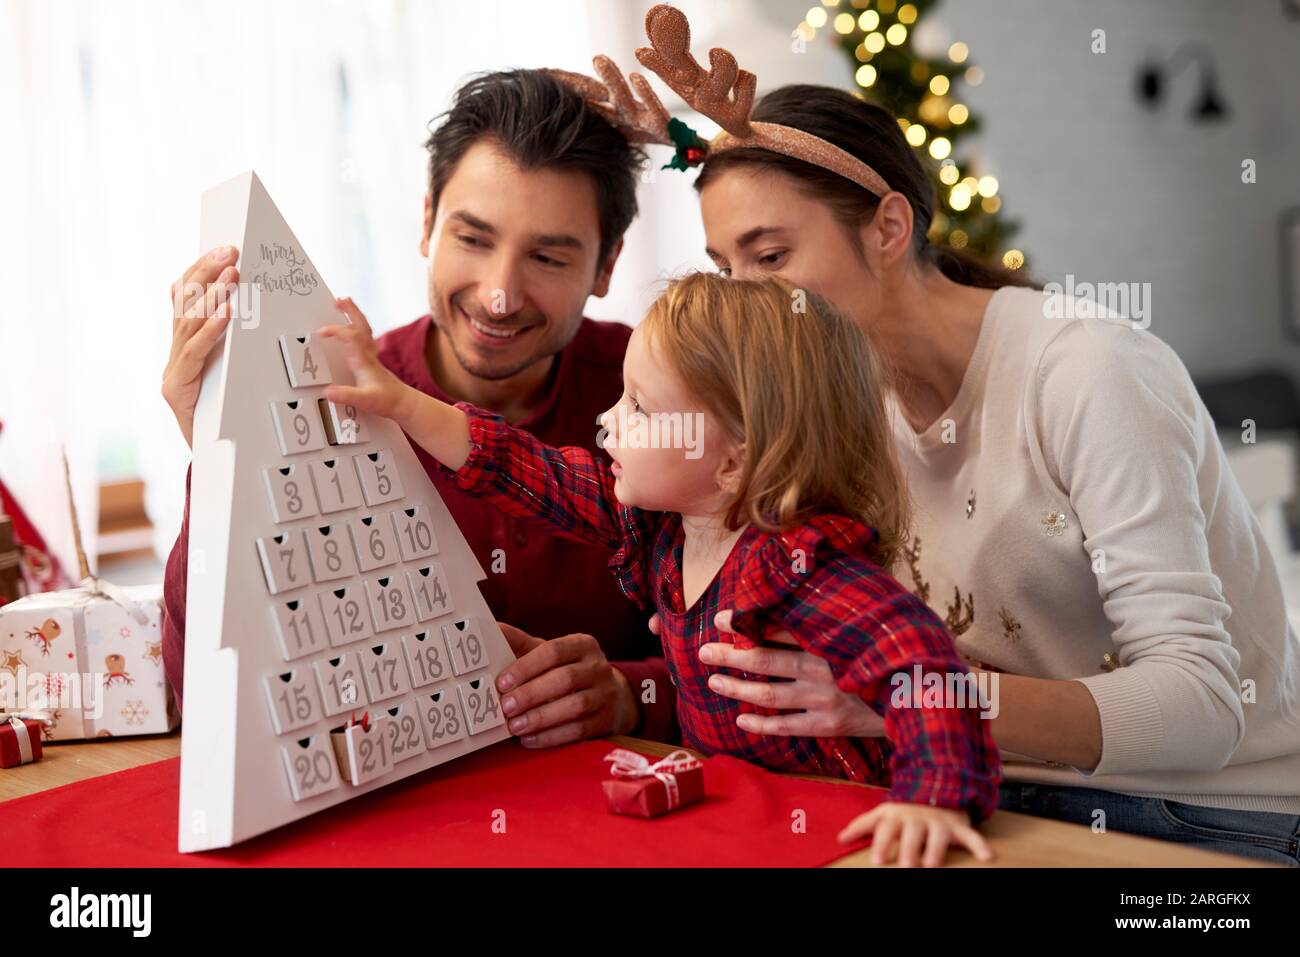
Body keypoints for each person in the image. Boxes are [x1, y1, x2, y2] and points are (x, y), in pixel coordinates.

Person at [687, 81, 1300, 865]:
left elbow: (1204, 707)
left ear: (888, 227)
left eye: (770, 257)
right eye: (724, 268)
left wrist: (904, 695)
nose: (745, 303)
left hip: (1203, 818)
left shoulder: (1086, 371)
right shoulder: (846, 404)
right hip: (980, 794)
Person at [314, 271, 1003, 867]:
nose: (610, 422)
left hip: (839, 830)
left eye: (640, 408)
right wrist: (401, 403)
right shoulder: (660, 530)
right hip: (738, 825)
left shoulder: (802, 570)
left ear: (733, 459)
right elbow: (525, 469)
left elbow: (925, 666)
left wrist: (935, 799)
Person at [161, 69, 677, 746]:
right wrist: (218, 444)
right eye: (474, 239)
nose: (500, 295)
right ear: (428, 220)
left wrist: (631, 692)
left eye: (548, 256)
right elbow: (202, 685)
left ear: (606, 266)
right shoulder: (328, 390)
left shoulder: (669, 399)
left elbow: (766, 643)